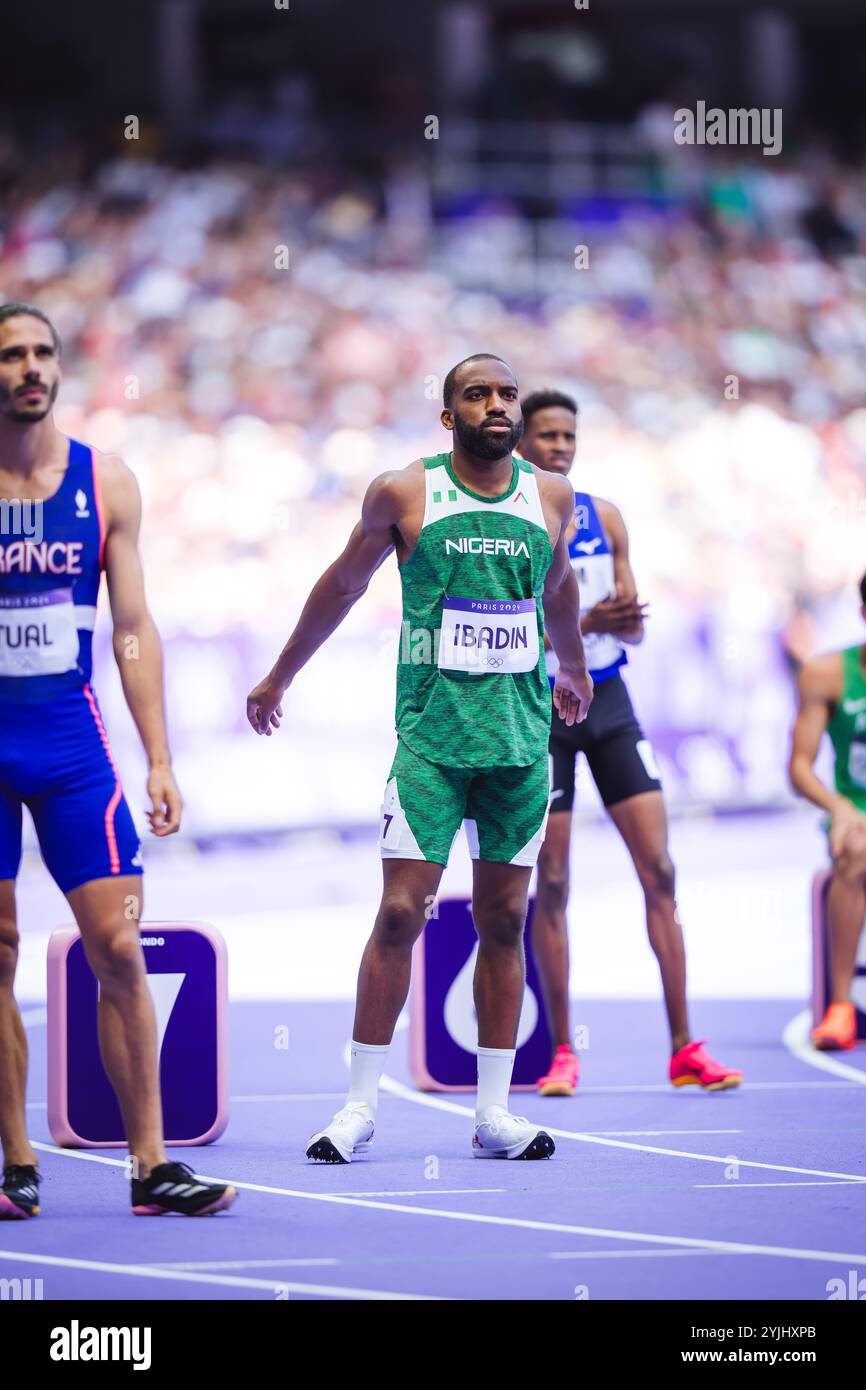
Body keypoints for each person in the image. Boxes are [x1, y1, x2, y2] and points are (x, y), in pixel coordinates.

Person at [248, 355, 594, 1162]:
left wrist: (572, 665)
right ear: (449, 417)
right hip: (432, 745)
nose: (497, 405)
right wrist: (278, 675)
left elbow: (560, 586)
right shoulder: (405, 492)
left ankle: (494, 1113)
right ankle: (359, 1106)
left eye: (507, 393)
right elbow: (341, 585)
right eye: (478, 395)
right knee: (402, 913)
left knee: (506, 918)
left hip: (518, 746)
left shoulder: (552, 496)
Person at [0, 304, 236, 1218]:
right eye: (11, 354)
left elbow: (134, 629)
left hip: (69, 746)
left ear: (60, 366)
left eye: (41, 353)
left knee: (119, 949)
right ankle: (16, 1160)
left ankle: (152, 1166)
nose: (29, 367)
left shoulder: (107, 482)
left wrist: (161, 758)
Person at [518, 389, 743, 1096]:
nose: (561, 446)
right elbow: (505, 633)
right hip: (542, 709)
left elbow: (635, 625)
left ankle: (684, 1048)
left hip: (609, 702)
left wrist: (612, 620)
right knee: (551, 883)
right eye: (548, 436)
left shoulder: (603, 516)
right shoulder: (511, 521)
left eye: (569, 436)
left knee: (661, 871)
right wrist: (583, 625)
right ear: (522, 442)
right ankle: (561, 1052)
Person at [789, 571, 866, 1050]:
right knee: (856, 848)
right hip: (855, 813)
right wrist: (838, 806)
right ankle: (841, 1006)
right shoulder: (826, 674)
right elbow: (799, 766)